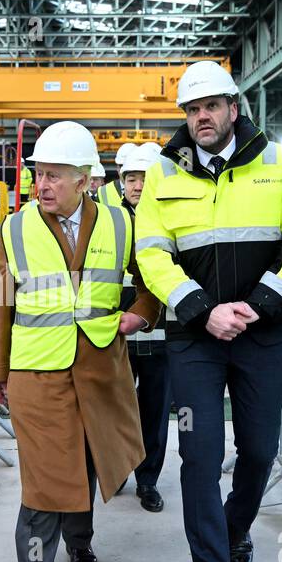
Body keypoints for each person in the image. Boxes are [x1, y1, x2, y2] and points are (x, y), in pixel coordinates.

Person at [135, 60, 282, 562]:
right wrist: (200, 309)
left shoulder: (278, 164)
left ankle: (236, 526)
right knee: (197, 458)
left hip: (261, 335)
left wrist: (263, 302)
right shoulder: (165, 172)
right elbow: (151, 252)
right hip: (195, 341)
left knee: (260, 450)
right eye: (192, 110)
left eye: (211, 107)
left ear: (233, 109)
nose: (202, 118)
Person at [0, 121, 162, 562]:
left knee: (86, 461)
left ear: (85, 180)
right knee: (42, 482)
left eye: (55, 176)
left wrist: (143, 313)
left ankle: (80, 541)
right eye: (39, 174)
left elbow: (150, 280)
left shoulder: (120, 224)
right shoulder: (15, 230)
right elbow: (0, 302)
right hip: (36, 373)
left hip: (100, 368)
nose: (42, 185)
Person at [115, 144, 170, 513]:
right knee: (116, 408)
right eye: (131, 178)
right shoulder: (109, 221)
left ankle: (147, 481)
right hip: (116, 332)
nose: (137, 185)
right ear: (122, 183)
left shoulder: (171, 219)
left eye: (144, 178)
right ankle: (116, 466)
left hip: (161, 332)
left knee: (155, 410)